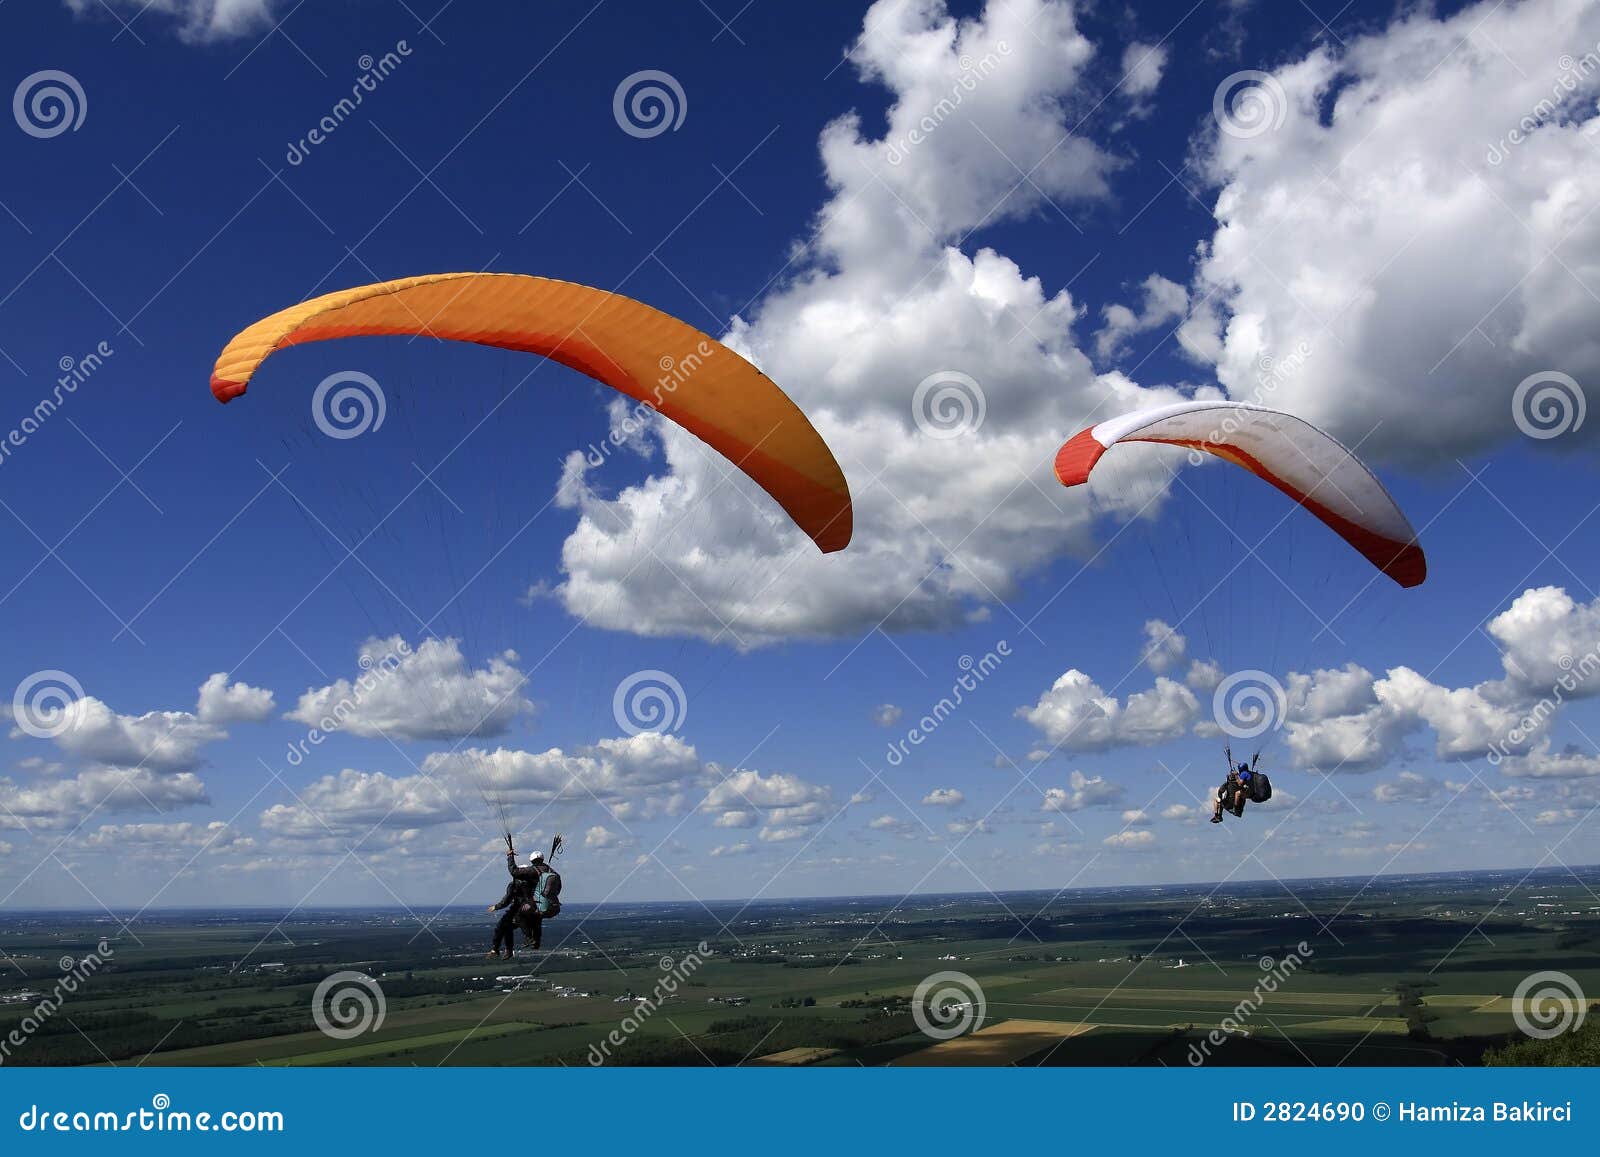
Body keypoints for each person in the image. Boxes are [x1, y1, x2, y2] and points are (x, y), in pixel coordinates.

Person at [1210, 746, 1260, 824]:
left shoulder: (1233, 781)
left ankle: (1218, 816)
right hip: (1240, 804)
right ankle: (1236, 811)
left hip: (1230, 804)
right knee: (1238, 795)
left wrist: (1221, 799)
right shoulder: (1245, 779)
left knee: (1217, 800)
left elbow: (1220, 791)